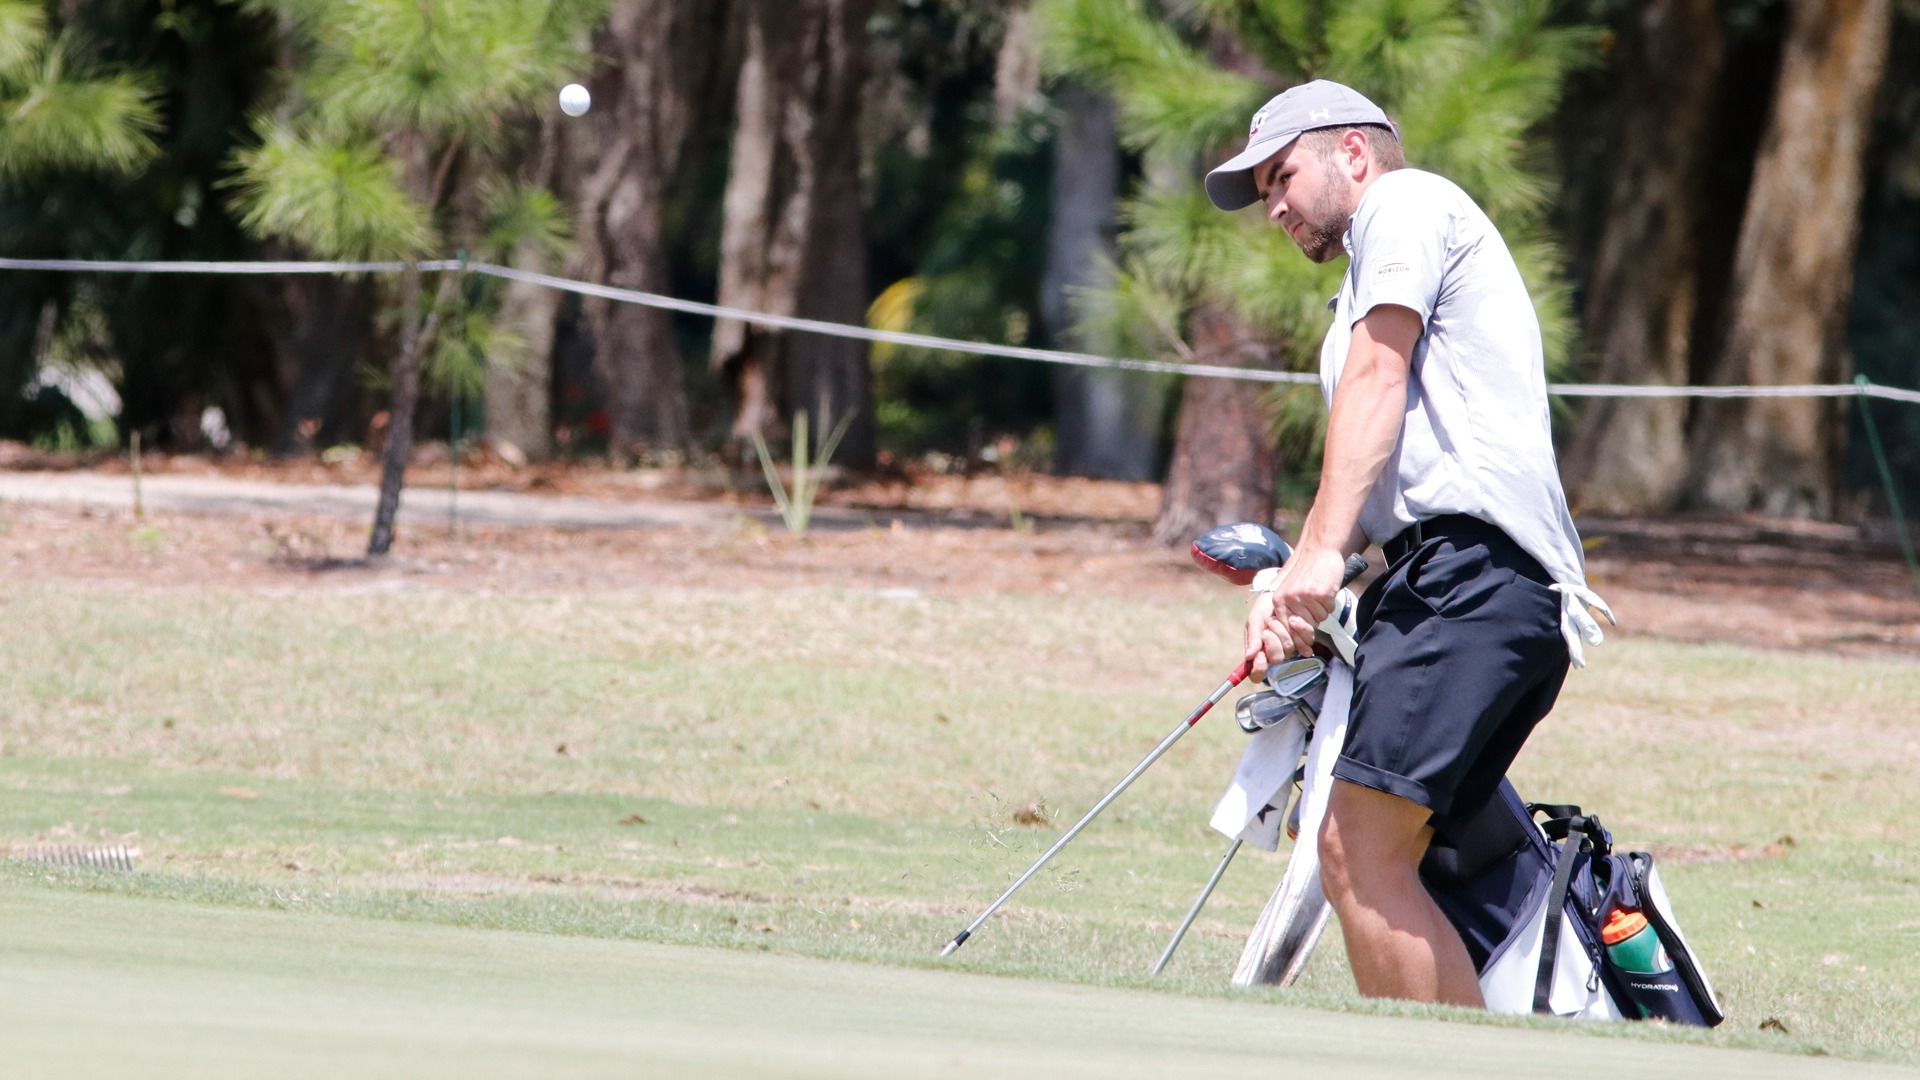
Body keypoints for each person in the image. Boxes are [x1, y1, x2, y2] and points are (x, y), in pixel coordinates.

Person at [1203, 80, 1613, 1007]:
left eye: (1283, 174)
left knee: (1356, 854)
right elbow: (1405, 476)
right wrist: (1305, 583)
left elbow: (1378, 386)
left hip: (1474, 582)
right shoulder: (1368, 266)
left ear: (1353, 151)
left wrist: (1313, 555)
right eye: (1265, 188)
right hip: (1450, 582)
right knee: (1400, 863)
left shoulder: (1406, 202)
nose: (1274, 204)